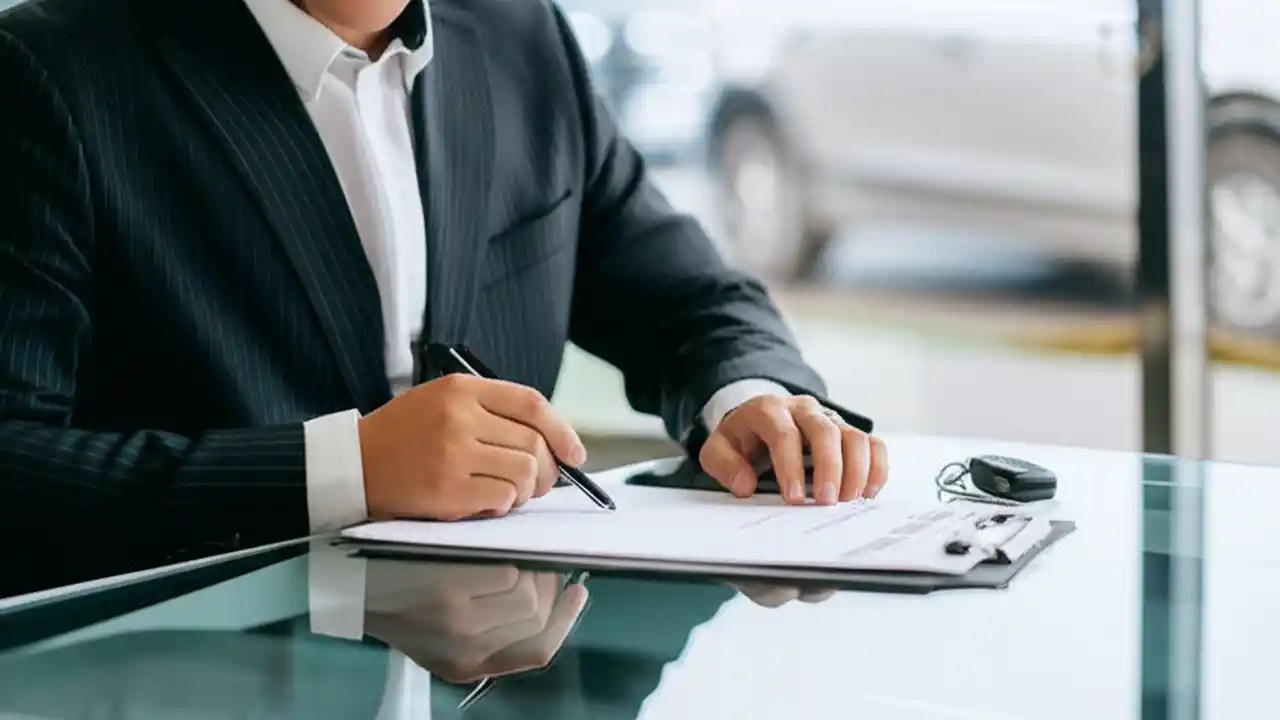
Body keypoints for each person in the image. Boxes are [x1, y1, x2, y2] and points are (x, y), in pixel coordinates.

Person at [0, 0, 887, 594]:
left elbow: (686, 294)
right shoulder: (51, 68)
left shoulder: (519, 32)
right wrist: (341, 473)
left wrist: (754, 394)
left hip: (496, 660)